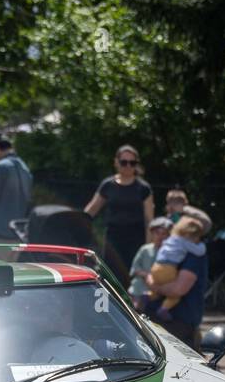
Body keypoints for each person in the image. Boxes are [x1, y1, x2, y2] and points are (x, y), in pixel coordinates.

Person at [83, 145, 153, 283]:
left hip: (136, 240)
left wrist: (149, 248)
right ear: (116, 162)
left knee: (134, 279)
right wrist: (75, 223)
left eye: (132, 163)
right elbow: (91, 209)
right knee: (111, 278)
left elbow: (149, 220)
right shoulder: (108, 185)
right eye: (124, 162)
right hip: (113, 240)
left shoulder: (143, 188)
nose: (128, 166)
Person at [144, 214, 209, 349]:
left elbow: (178, 289)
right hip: (159, 316)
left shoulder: (194, 256)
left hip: (179, 321)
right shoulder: (178, 247)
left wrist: (155, 287)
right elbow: (152, 274)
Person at [129, 215, 171, 313]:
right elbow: (134, 269)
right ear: (152, 234)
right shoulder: (145, 249)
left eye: (164, 234)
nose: (160, 237)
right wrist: (146, 275)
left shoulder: (170, 252)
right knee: (135, 295)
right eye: (157, 233)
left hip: (159, 286)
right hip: (141, 285)